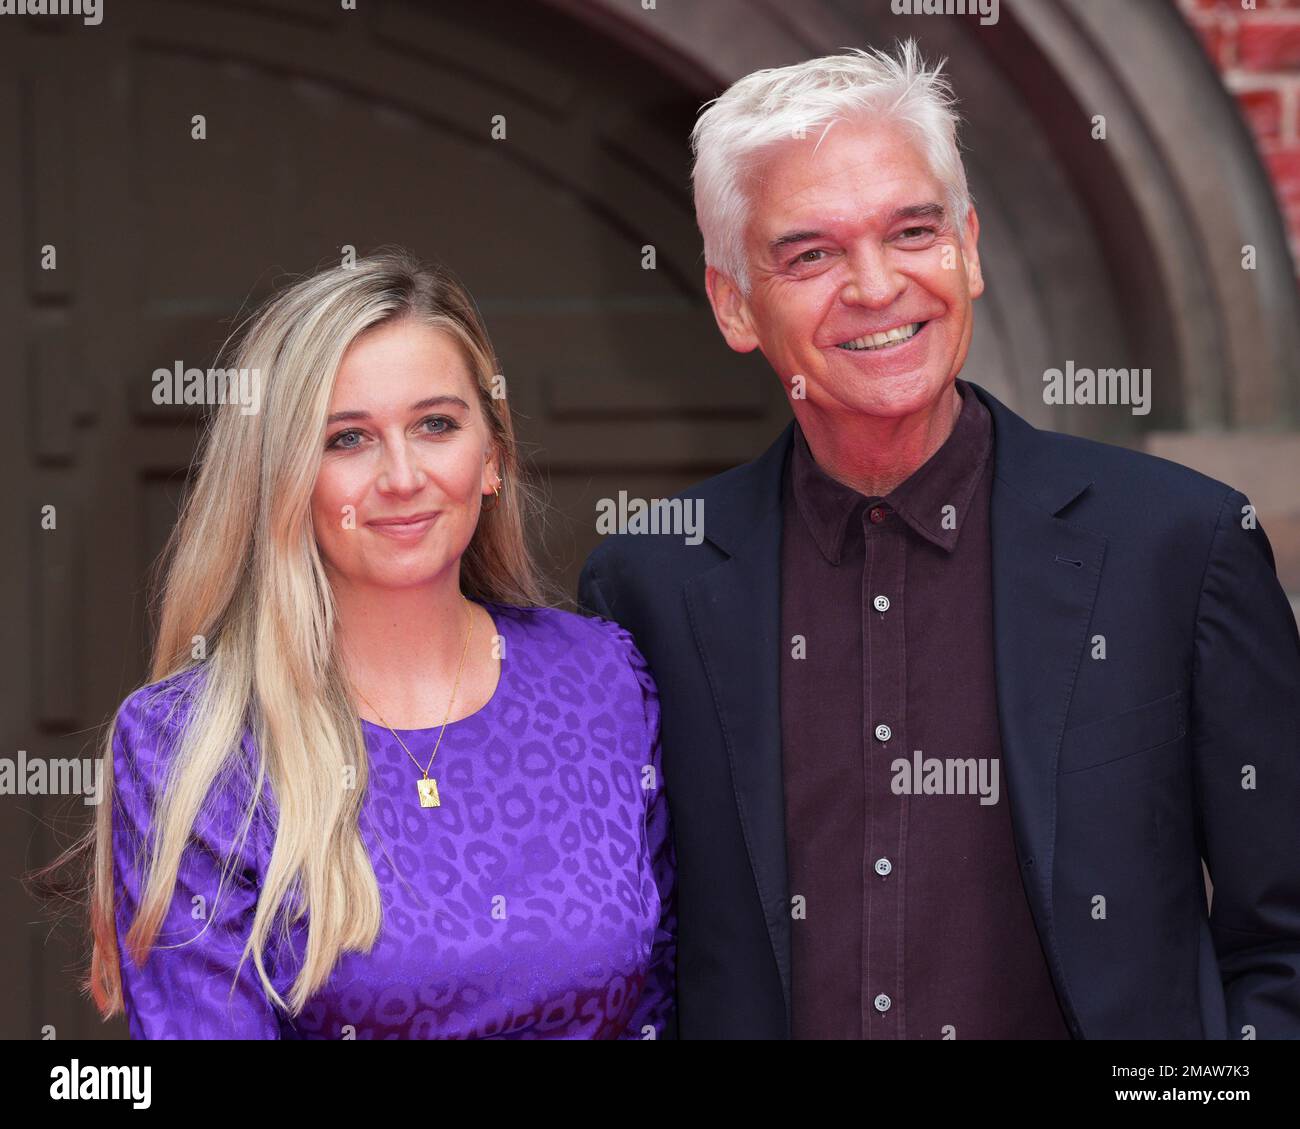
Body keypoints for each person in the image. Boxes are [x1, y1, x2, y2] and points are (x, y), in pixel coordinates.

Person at [578, 42, 1300, 1039]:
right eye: (811, 253)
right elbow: (627, 952)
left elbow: (1284, 936)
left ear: (967, 248)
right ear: (734, 303)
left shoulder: (1180, 547)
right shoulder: (646, 583)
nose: (876, 286)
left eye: (911, 231)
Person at [84, 249, 675, 1038]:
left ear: (492, 456)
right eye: (348, 439)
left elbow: (669, 996)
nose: (402, 476)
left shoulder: (603, 678)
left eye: (436, 424)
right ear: (283, 477)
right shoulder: (190, 742)